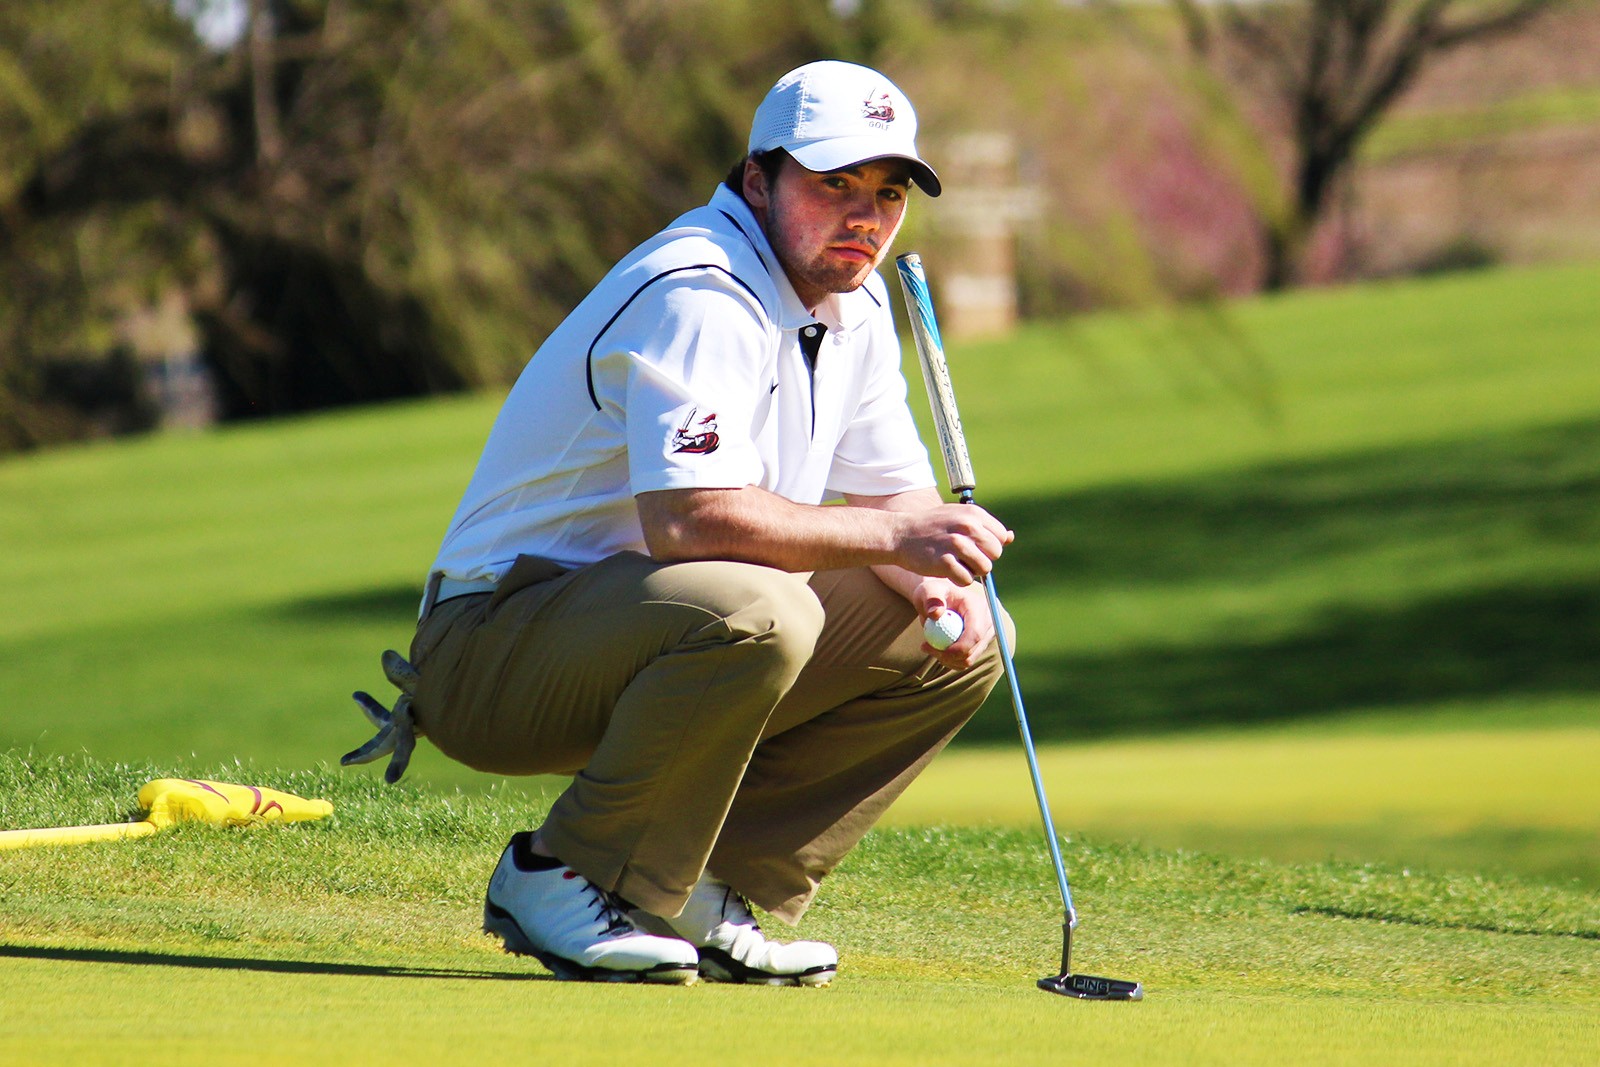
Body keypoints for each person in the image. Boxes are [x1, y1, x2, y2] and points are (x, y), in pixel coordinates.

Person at [348, 60, 1013, 986]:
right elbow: (689, 521)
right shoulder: (698, 289)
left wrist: (945, 590)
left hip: (647, 637)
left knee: (973, 639)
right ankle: (557, 874)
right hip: (489, 653)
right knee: (764, 608)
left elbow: (891, 502)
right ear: (757, 180)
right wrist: (902, 540)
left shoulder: (852, 307)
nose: (865, 217)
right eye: (833, 185)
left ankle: (705, 884)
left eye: (887, 193)